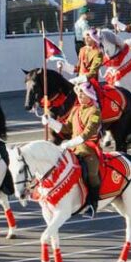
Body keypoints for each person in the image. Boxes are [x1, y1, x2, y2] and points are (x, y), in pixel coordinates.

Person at [43, 81, 103, 216]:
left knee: (92, 173)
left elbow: (87, 134)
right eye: (79, 93)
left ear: (89, 95)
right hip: (73, 149)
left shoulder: (95, 112)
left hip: (88, 149)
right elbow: (66, 128)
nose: (80, 95)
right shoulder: (76, 109)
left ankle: (92, 203)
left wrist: (69, 143)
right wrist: (50, 122)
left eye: (83, 93)